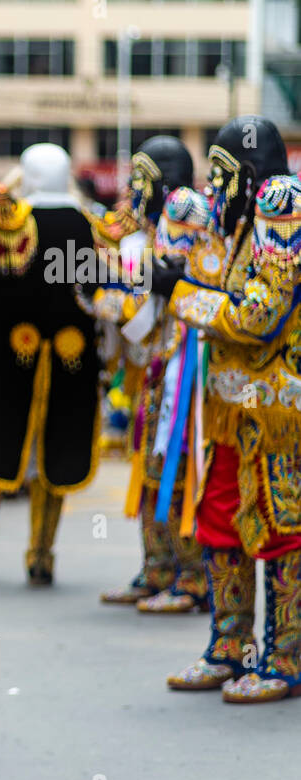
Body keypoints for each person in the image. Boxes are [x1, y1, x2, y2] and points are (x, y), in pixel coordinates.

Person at [160, 117, 301, 702]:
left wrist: (182, 295)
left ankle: (286, 656)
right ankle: (230, 645)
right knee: (220, 520)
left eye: (221, 175)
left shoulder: (280, 206)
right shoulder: (237, 220)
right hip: (226, 406)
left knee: (281, 525)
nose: (213, 190)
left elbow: (259, 317)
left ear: (249, 173)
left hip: (275, 409)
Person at [0, 143, 100, 585]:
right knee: (54, 451)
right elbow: (104, 296)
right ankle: (42, 554)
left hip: (7, 359)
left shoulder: (4, 226)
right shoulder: (90, 227)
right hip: (70, 363)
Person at [90, 136, 207, 614]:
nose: (134, 189)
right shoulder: (141, 237)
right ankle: (158, 568)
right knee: (148, 470)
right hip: (152, 373)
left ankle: (193, 576)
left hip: (184, 372)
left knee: (177, 471)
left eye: (142, 179)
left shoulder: (187, 228)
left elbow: (145, 310)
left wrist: (100, 294)